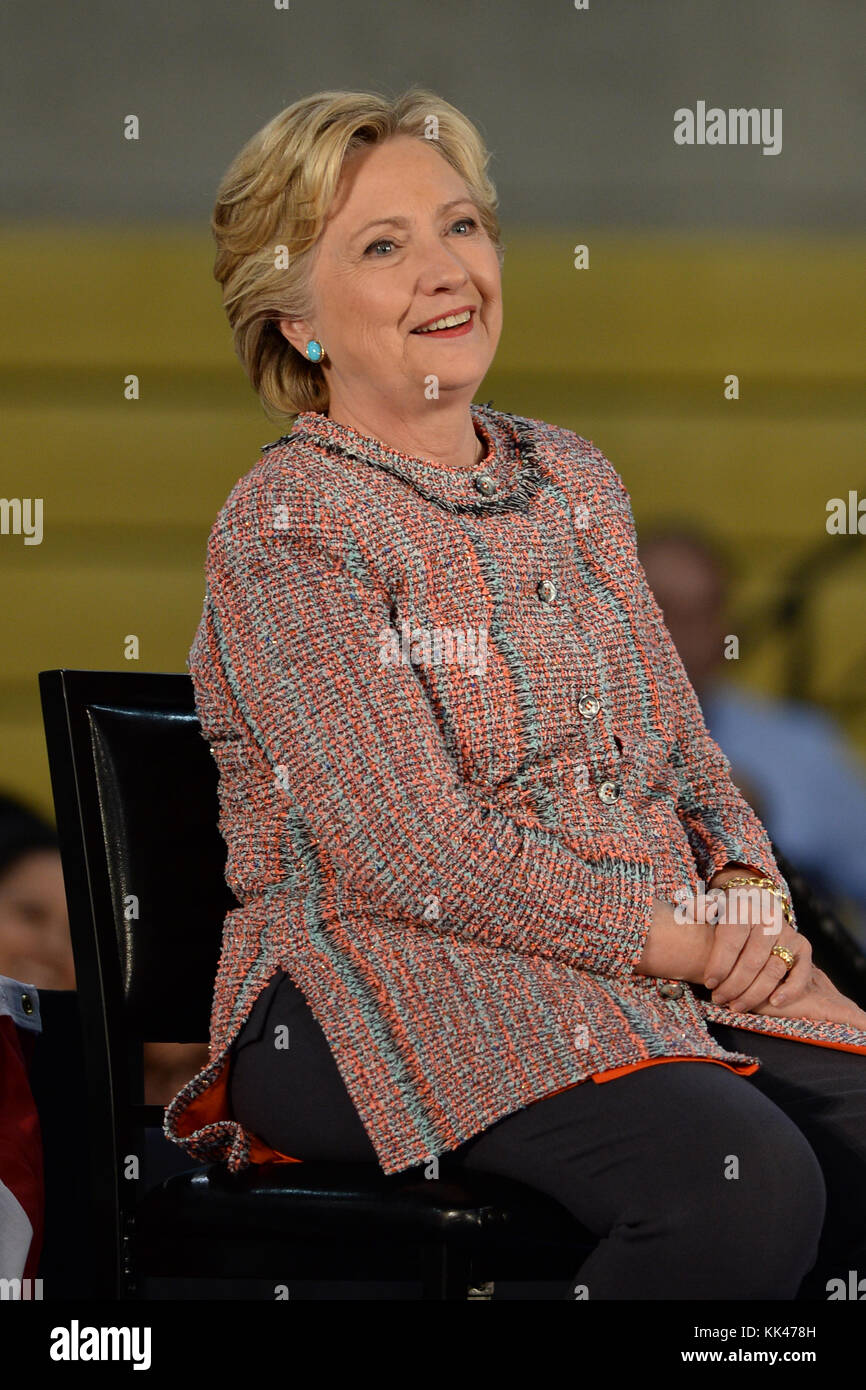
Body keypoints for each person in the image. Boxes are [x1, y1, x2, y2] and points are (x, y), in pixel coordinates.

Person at [163, 87, 866, 1300]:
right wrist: (684, 942)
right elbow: (407, 849)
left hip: (640, 957)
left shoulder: (572, 478)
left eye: (462, 227)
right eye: (382, 246)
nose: (446, 272)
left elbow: (688, 763)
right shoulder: (291, 521)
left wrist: (748, 903)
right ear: (297, 319)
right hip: (374, 975)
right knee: (735, 1183)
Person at [638, 526, 866, 942]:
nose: (682, 636)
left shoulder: (803, 747)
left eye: (703, 613)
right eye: (661, 609)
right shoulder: (559, 745)